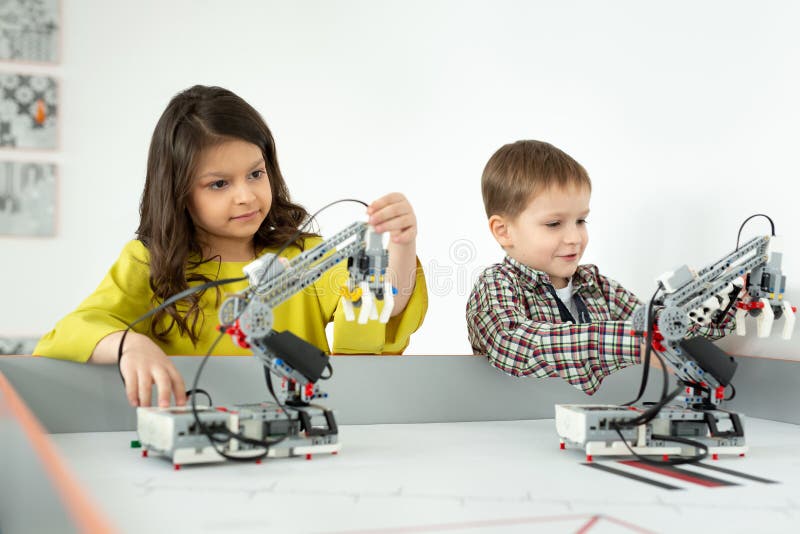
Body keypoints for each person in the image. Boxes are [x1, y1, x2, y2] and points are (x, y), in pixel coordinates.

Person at [35, 85, 427, 407]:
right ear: (178, 193)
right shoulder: (149, 263)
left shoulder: (302, 256)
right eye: (219, 184)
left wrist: (402, 246)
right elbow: (73, 330)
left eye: (255, 174)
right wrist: (129, 344)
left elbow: (382, 304)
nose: (246, 196)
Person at [466, 140, 735, 394]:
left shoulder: (599, 288)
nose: (574, 238)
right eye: (553, 224)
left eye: (581, 221)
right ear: (503, 231)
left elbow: (666, 328)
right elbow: (513, 346)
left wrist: (726, 303)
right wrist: (633, 341)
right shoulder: (497, 283)